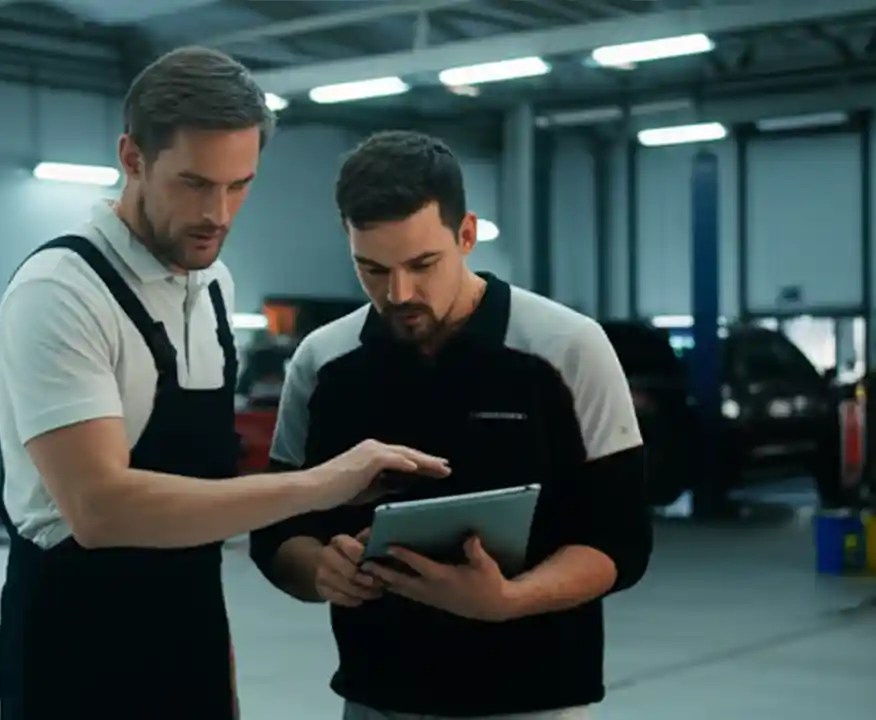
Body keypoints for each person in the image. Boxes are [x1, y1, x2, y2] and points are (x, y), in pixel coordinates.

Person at [0, 50, 449, 720]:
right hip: (74, 647)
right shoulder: (62, 292)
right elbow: (100, 509)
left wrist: (219, 674)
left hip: (189, 628)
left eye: (240, 185)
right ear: (133, 157)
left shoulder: (211, 289)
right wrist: (324, 483)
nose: (220, 212)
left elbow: (195, 527)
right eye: (195, 183)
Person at [250, 130, 653, 719]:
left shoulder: (568, 349)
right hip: (377, 699)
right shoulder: (322, 361)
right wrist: (320, 571)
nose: (399, 292)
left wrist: (509, 601)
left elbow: (621, 541)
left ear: (467, 235)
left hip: (533, 701)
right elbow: (276, 535)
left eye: (423, 264)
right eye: (372, 268)